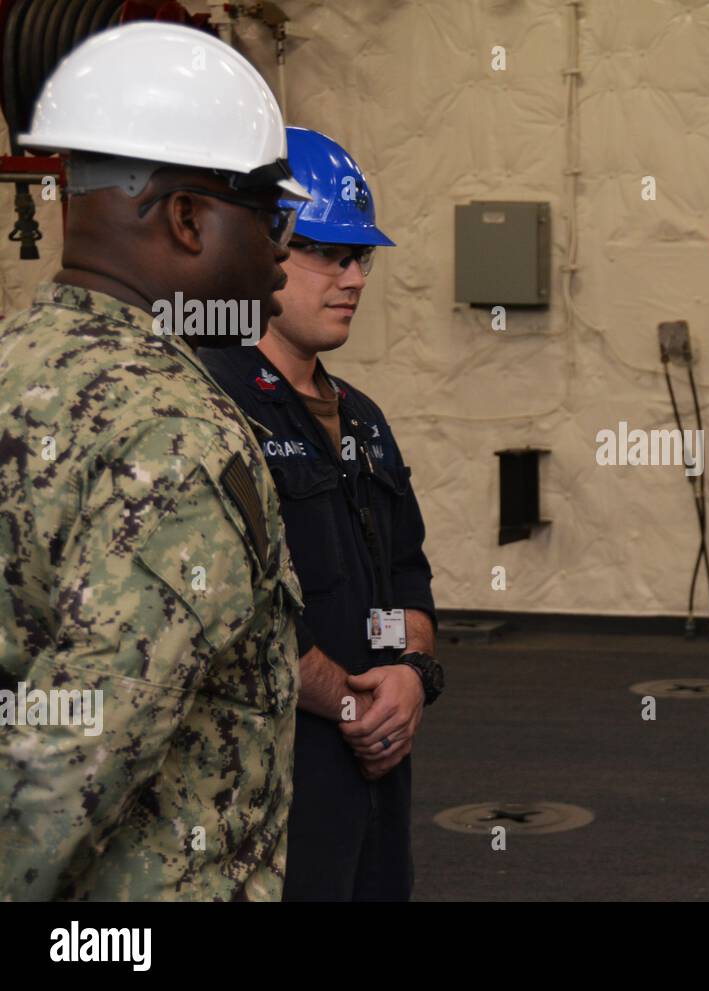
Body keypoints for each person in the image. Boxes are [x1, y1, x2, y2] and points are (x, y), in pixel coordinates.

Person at [0, 23, 310, 900]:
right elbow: (70, 762)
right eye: (268, 215)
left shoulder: (14, 365)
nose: (282, 249)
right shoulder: (176, 433)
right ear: (185, 217)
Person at [200, 127, 441, 902]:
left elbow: (407, 568)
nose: (353, 277)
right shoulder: (214, 406)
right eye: (327, 252)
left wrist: (410, 674)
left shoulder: (362, 416)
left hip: (376, 767)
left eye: (360, 256)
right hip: (268, 781)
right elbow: (234, 611)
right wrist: (350, 702)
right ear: (263, 246)